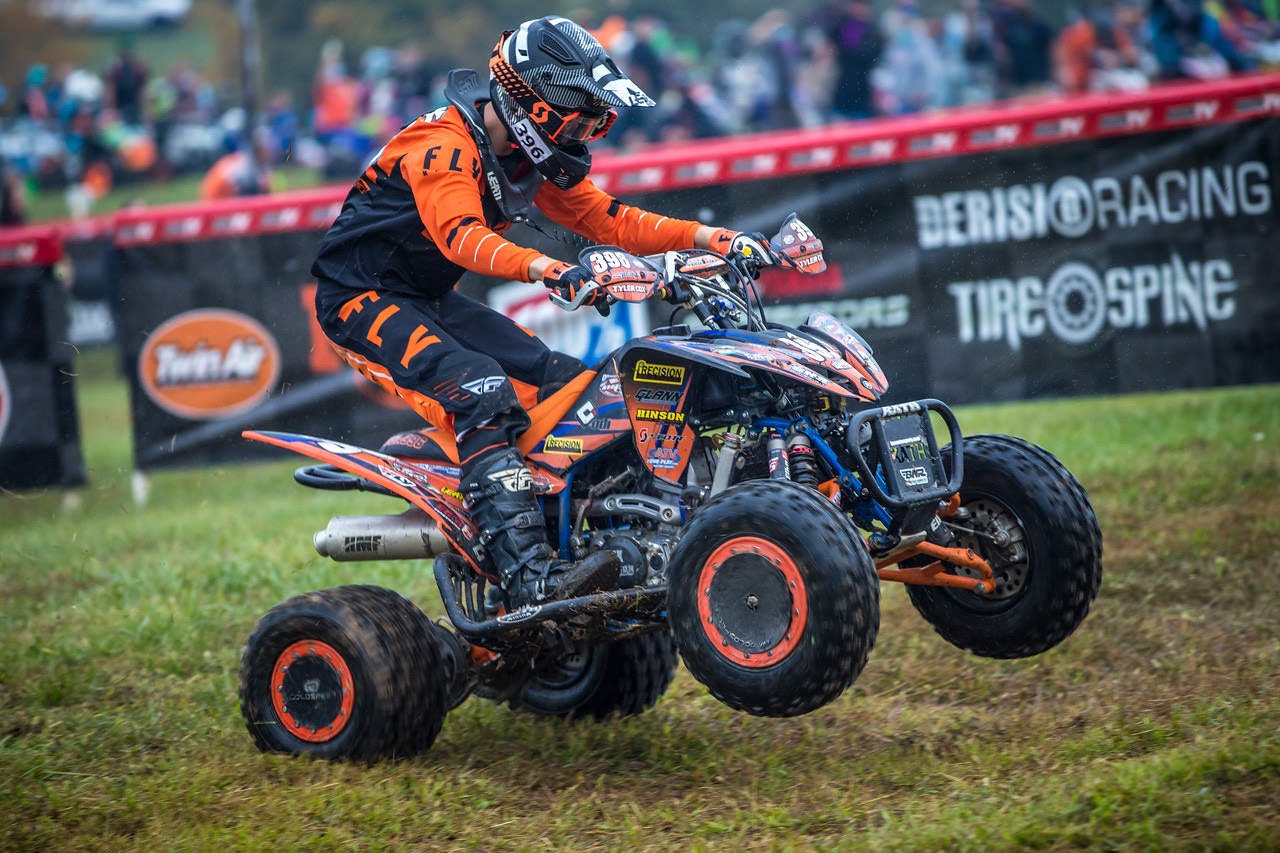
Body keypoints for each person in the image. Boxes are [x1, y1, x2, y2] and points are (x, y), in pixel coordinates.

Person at [311, 16, 765, 608]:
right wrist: (548, 270)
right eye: (580, 117)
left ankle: (587, 543)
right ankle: (525, 575)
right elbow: (460, 238)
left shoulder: (527, 158)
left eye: (598, 121)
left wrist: (713, 240)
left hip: (427, 298)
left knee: (573, 387)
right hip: (358, 298)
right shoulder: (442, 145)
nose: (588, 133)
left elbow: (611, 221)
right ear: (531, 102)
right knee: (479, 390)